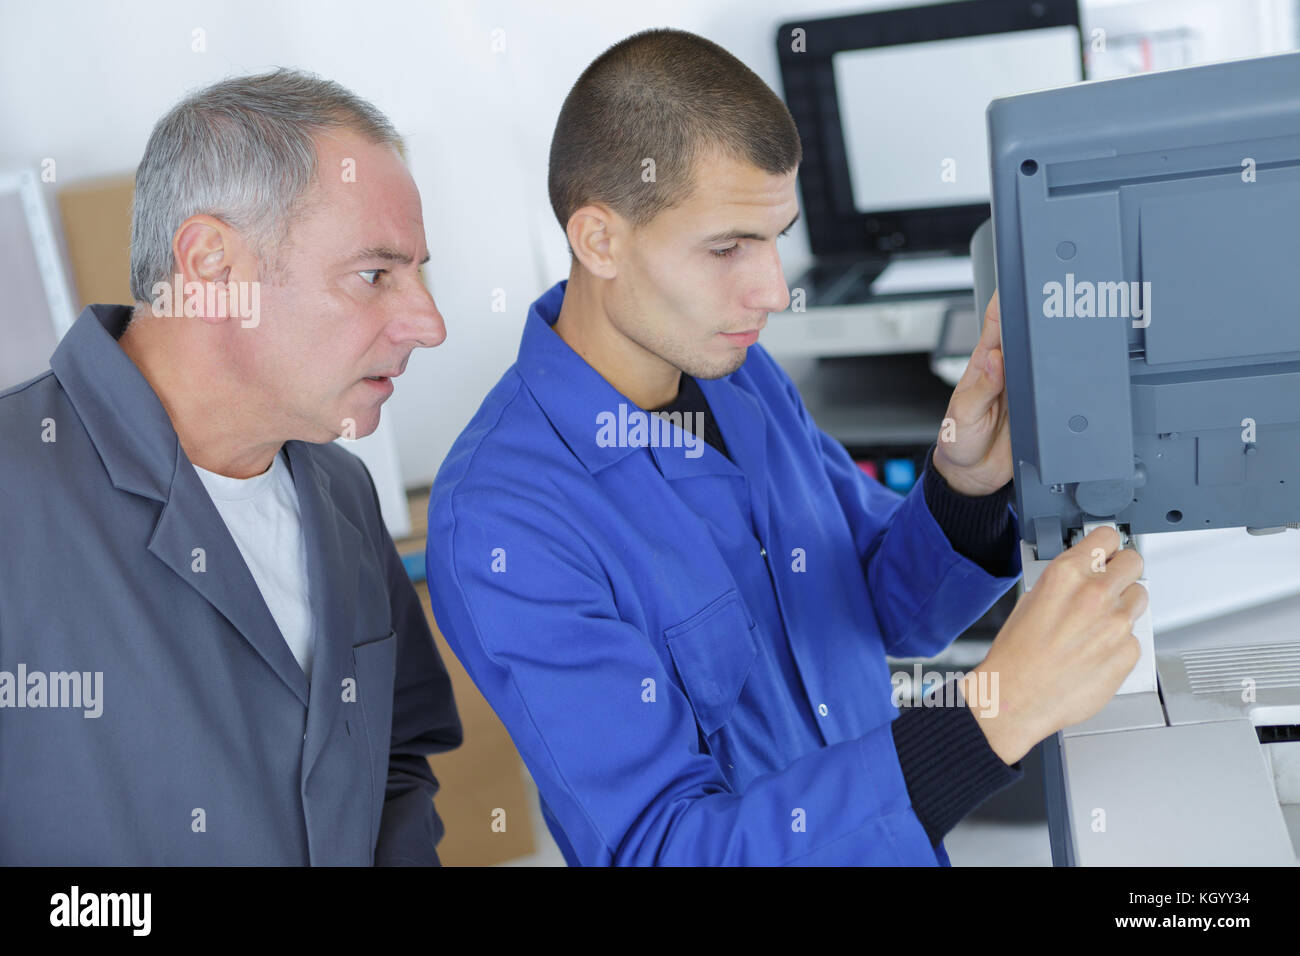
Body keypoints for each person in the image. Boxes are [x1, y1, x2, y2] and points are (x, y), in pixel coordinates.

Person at [425, 29, 1146, 865]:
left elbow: (878, 605)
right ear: (599, 239)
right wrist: (994, 712)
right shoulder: (505, 522)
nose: (773, 291)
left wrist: (963, 487)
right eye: (728, 247)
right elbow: (669, 850)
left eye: (775, 239)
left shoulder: (740, 376)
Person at [0, 70, 461, 864]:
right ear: (212, 267)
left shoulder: (342, 493)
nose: (430, 323)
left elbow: (395, 758)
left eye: (419, 272)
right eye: (374, 274)